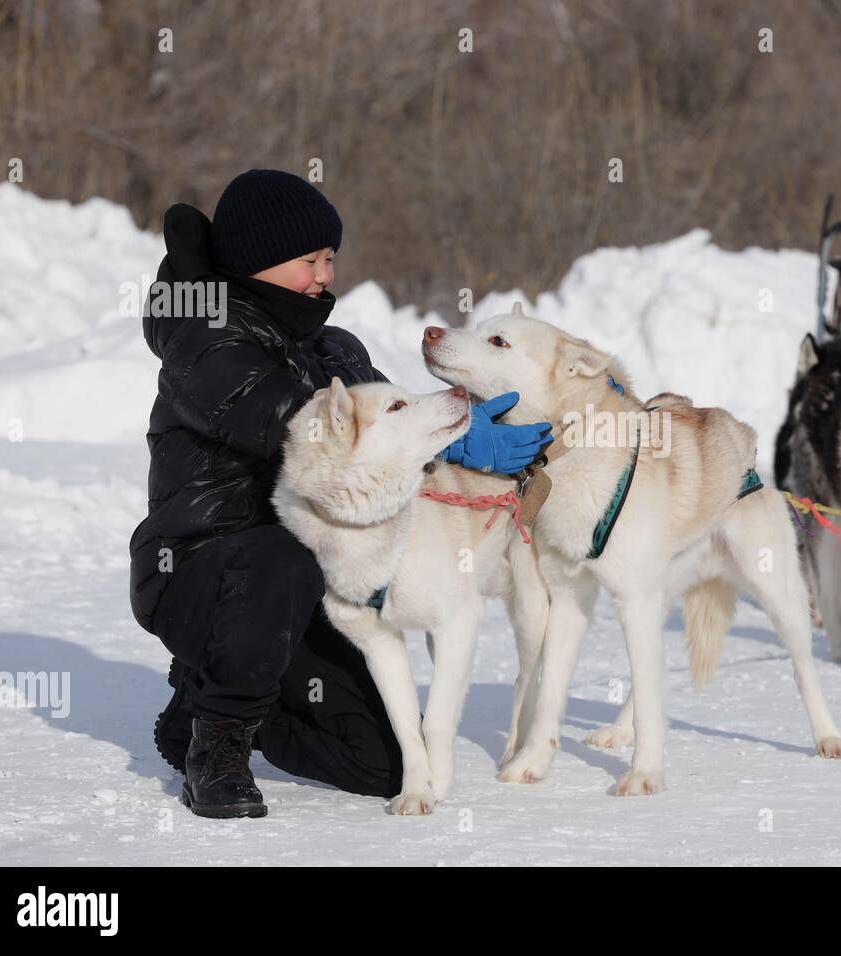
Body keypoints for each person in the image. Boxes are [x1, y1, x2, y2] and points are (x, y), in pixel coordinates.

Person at [128, 169, 552, 818]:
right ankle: (216, 746)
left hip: (308, 578)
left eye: (330, 259)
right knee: (282, 555)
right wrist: (450, 443)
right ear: (259, 262)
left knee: (381, 762)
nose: (325, 275)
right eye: (309, 261)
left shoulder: (332, 347)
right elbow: (283, 420)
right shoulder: (204, 339)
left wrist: (451, 431)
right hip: (203, 567)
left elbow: (396, 426)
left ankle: (219, 700)